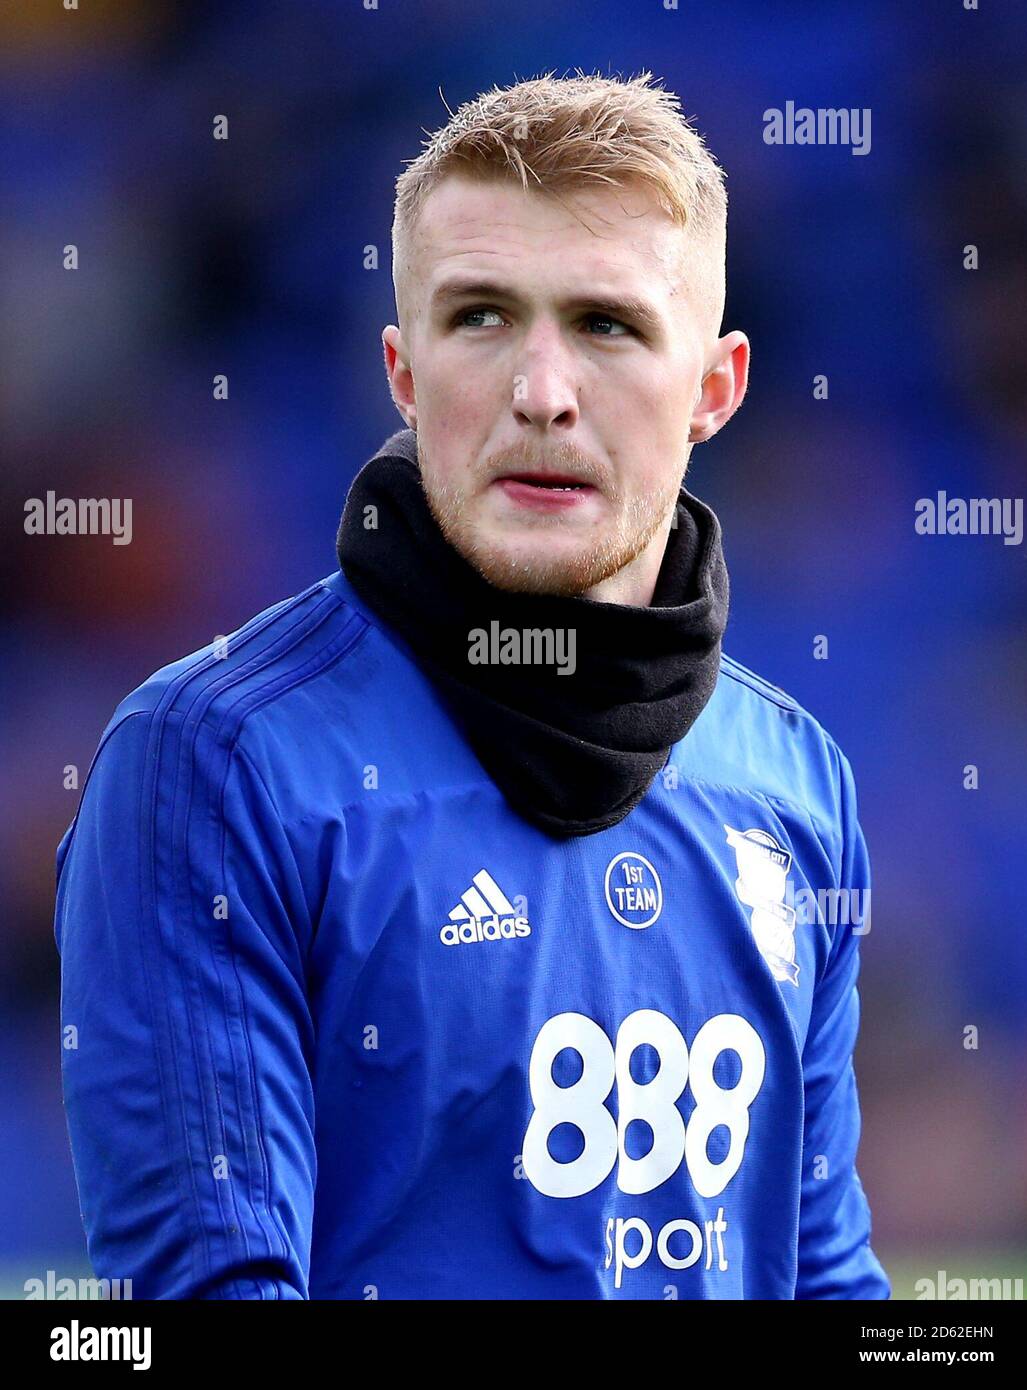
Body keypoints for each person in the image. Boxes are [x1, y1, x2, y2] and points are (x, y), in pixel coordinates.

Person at [54, 71, 890, 1299]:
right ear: (403, 370)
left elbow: (822, 1277)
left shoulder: (797, 782)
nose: (540, 393)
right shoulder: (215, 764)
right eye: (481, 317)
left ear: (716, 387)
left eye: (607, 325)